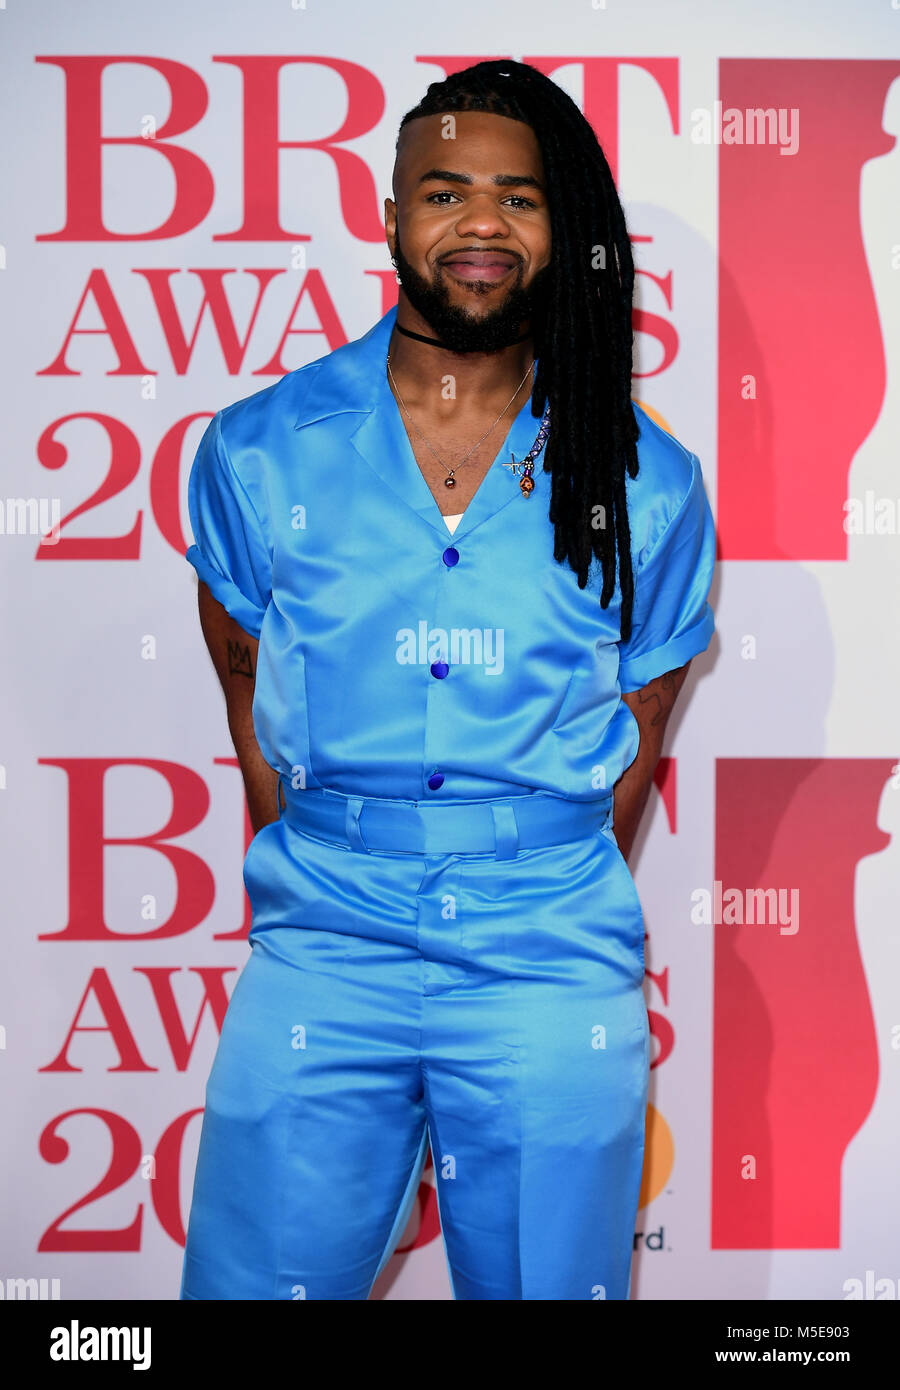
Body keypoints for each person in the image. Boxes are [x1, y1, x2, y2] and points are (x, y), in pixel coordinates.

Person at [179, 59, 716, 1302]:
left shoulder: (648, 482)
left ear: (561, 228)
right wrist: (340, 867)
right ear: (390, 214)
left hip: (547, 948)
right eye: (447, 190)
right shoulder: (259, 448)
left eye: (520, 198)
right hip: (324, 943)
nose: (481, 222)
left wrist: (523, 870)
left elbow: (634, 745)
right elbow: (249, 707)